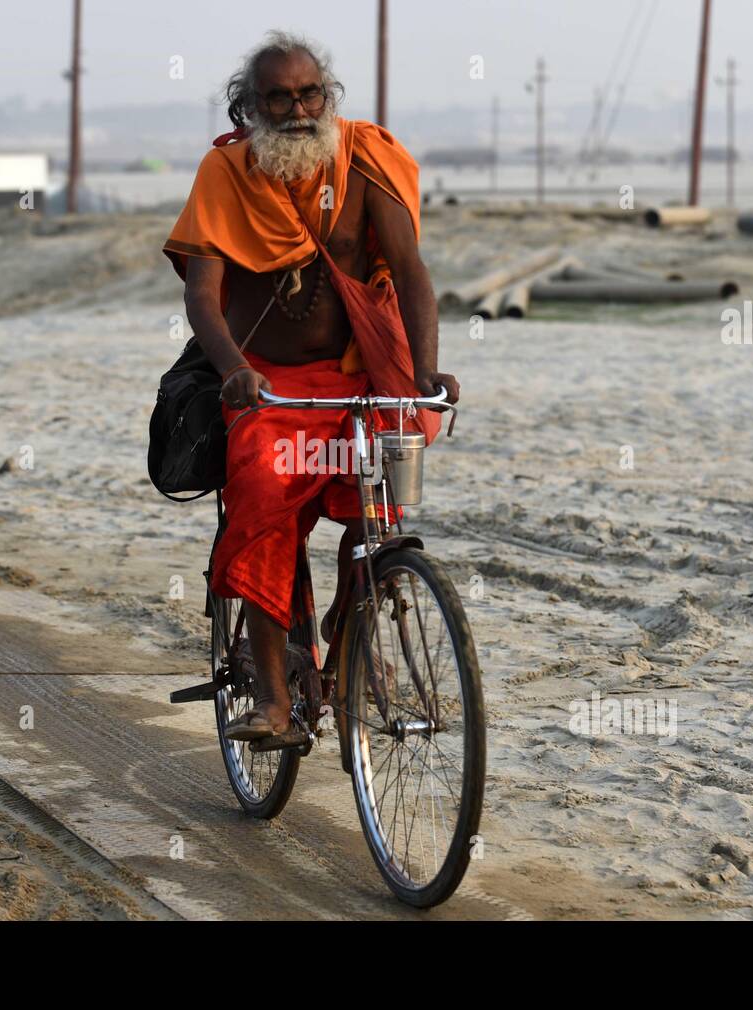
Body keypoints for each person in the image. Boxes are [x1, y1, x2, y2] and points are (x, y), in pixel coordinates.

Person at [163, 30, 459, 742]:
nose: (297, 109)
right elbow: (203, 296)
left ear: (328, 97)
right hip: (272, 385)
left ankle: (354, 605)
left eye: (309, 93)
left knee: (391, 466)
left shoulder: (367, 157)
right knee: (264, 492)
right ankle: (270, 697)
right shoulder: (227, 172)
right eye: (278, 97)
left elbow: (410, 268)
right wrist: (234, 370)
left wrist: (423, 372)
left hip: (363, 369)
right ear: (249, 107)